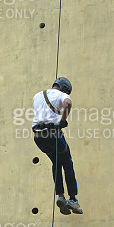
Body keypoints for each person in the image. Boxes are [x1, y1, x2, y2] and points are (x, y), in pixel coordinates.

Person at [32, 77, 82, 215]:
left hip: (38, 137)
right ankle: (73, 199)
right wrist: (63, 121)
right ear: (64, 89)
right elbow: (67, 103)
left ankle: (61, 197)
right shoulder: (62, 95)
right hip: (53, 134)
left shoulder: (37, 96)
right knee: (68, 163)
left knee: (56, 163)